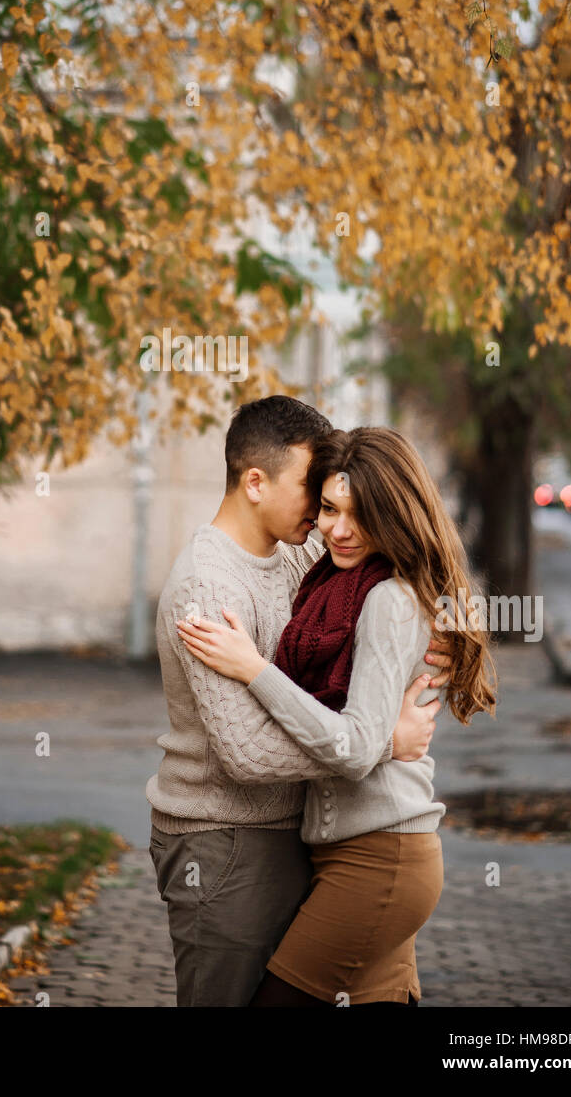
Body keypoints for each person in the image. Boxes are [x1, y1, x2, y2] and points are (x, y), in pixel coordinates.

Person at [146, 397, 454, 1007]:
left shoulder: (299, 555)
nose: (323, 514)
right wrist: (380, 743)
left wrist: (440, 635)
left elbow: (399, 556)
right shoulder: (207, 586)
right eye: (313, 490)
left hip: (304, 836)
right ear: (255, 482)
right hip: (225, 837)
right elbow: (247, 755)